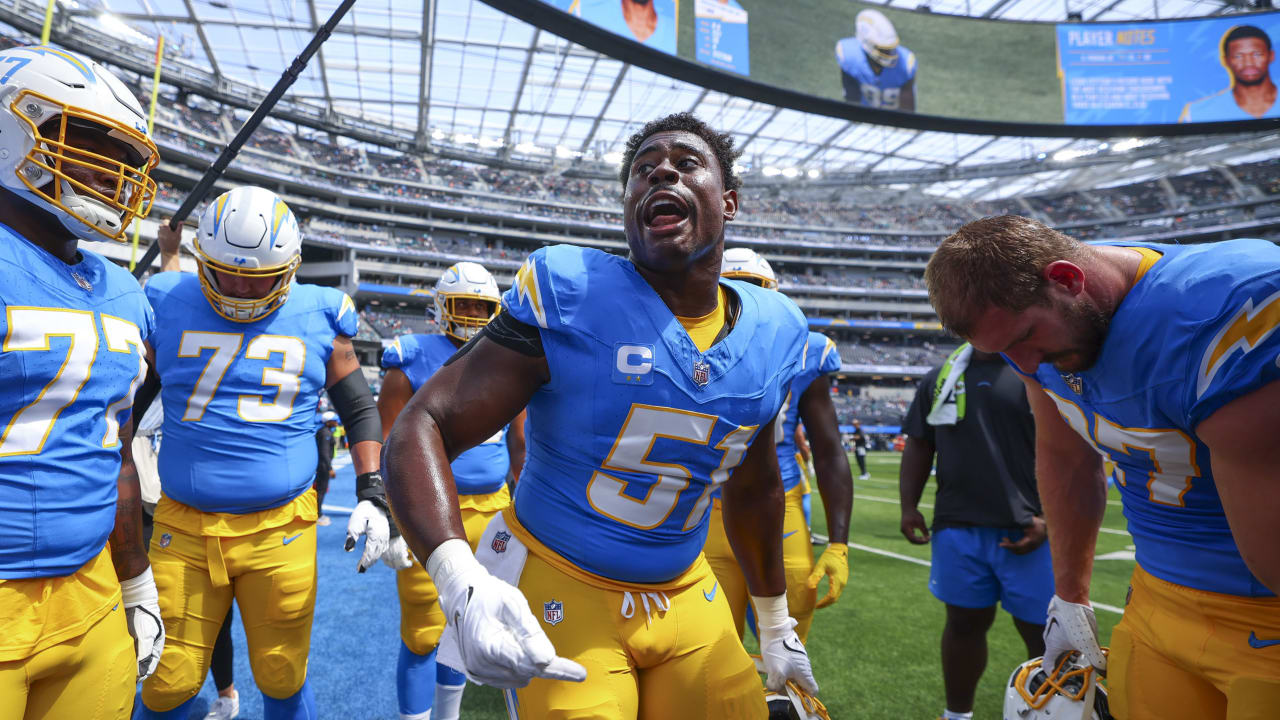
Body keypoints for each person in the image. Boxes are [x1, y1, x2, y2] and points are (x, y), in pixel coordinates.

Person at [383, 112, 818, 719]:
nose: (661, 169)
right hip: (565, 583)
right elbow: (423, 423)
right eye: (643, 170)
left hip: (685, 587)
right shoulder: (574, 291)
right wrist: (460, 580)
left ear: (730, 200)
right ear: (629, 207)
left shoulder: (776, 329)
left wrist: (773, 622)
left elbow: (753, 484)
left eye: (687, 163)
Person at [925, 215, 1280, 719]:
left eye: (1026, 336)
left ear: (1068, 279)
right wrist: (1070, 597)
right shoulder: (1031, 338)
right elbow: (1065, 457)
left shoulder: (1225, 305)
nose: (1026, 362)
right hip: (1155, 600)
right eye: (1003, 350)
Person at [135, 186, 392, 720]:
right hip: (182, 523)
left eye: (257, 277)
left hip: (281, 526)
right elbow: (132, 406)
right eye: (226, 272)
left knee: (281, 674)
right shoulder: (167, 299)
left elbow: (361, 408)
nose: (238, 288)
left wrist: (372, 490)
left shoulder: (321, 313)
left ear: (291, 268)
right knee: (166, 679)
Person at [0, 44, 164, 720]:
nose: (114, 173)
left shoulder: (123, 291)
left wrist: (136, 582)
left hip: (91, 584)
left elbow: (116, 449)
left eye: (126, 159)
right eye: (90, 142)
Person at [376, 261, 528, 720]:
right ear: (441, 307)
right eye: (464, 305)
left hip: (494, 510)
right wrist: (393, 515)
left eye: (482, 308)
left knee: (472, 627)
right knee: (423, 633)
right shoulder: (409, 358)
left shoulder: (510, 357)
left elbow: (520, 445)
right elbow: (390, 445)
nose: (473, 317)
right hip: (429, 509)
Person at [705, 247, 853, 649]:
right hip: (704, 507)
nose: (745, 298)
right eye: (732, 287)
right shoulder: (689, 342)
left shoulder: (807, 349)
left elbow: (828, 449)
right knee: (710, 646)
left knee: (790, 629)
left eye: (754, 287)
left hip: (779, 500)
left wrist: (838, 542)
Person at [898, 342, 1049, 720]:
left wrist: (1051, 519)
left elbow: (1074, 450)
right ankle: (956, 715)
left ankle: (1057, 711)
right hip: (958, 526)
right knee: (963, 624)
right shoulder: (940, 378)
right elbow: (919, 443)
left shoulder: (1043, 373)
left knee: (1044, 635)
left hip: (1031, 529)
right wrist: (908, 506)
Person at [1180, 25, 1278, 122]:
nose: (1248, 63)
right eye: (1238, 56)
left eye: (1257, 54)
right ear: (1225, 60)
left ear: (1271, 56)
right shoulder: (1198, 114)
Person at [835, 9, 917, 111]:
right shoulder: (850, 57)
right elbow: (852, 103)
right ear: (866, 43)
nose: (889, 53)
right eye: (883, 49)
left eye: (890, 48)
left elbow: (908, 112)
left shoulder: (906, 63)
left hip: (895, 121)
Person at [315, 411, 339, 527]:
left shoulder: (325, 432)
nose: (337, 422)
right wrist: (329, 468)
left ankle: (318, 513)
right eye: (334, 420)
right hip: (323, 466)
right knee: (321, 490)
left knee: (322, 490)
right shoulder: (325, 434)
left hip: (323, 465)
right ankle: (317, 515)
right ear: (328, 422)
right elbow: (324, 452)